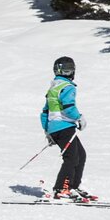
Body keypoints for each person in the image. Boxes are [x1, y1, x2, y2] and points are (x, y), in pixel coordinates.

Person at [40, 56, 94, 201]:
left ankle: (73, 186)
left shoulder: (53, 88)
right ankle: (61, 188)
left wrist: (48, 131)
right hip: (65, 127)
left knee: (80, 155)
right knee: (71, 158)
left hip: (57, 128)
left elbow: (45, 112)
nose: (67, 73)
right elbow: (68, 108)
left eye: (68, 70)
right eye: (66, 70)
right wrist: (79, 118)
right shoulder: (67, 87)